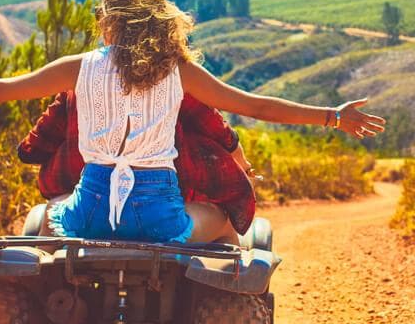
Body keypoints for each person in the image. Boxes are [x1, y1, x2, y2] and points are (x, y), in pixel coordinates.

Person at [0, 0, 385, 244]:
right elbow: (254, 106)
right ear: (161, 22)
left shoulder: (78, 68)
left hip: (90, 209)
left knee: (42, 222)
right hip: (157, 214)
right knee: (228, 224)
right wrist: (332, 116)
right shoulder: (180, 72)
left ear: (108, 22)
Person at [19, 89, 258, 236]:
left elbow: (33, 149)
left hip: (88, 210)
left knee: (49, 220)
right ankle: (233, 292)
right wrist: (243, 168)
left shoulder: (80, 79)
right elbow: (221, 134)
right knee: (225, 225)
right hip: (162, 215)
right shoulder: (178, 81)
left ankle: (37, 285)